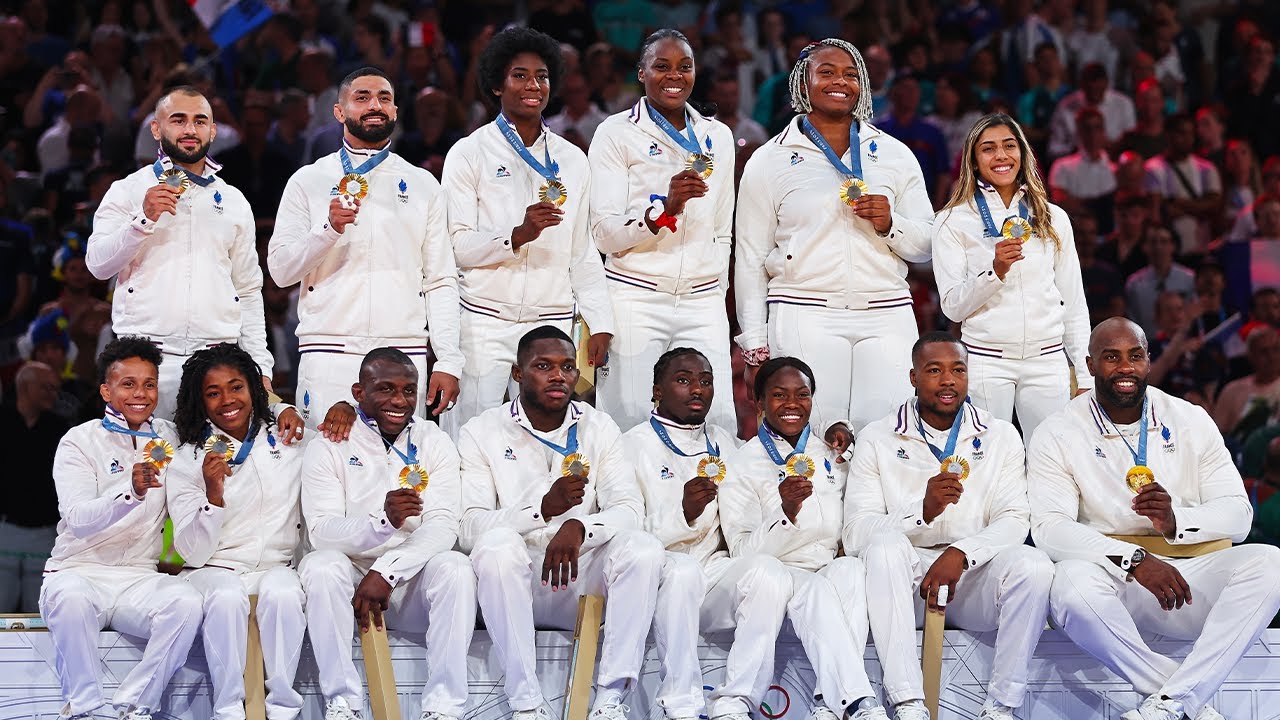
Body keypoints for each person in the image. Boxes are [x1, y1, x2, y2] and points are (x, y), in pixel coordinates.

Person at [1029, 318, 1280, 720]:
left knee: (1272, 563)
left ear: (1148, 361)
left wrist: (1176, 520)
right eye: (1112, 358)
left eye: (1136, 356)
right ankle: (1182, 700)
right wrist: (1135, 559)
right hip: (1115, 583)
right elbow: (1050, 530)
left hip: (1190, 576)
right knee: (1068, 586)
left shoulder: (1190, 419)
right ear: (1090, 365)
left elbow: (1238, 515)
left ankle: (1169, 703)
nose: (1125, 368)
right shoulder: (1058, 432)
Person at [458, 326, 663, 720]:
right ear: (517, 374)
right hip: (517, 581)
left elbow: (628, 509)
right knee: (496, 547)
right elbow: (468, 528)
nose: (559, 376)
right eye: (543, 366)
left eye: (568, 367)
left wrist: (581, 528)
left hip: (582, 577)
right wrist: (541, 510)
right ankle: (526, 703)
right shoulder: (481, 431)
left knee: (643, 548)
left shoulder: (599, 427)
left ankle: (610, 701)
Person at [844, 333, 1052, 720]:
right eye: (934, 370)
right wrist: (920, 512)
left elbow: (1014, 519)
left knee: (1033, 566)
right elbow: (856, 533)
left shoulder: (1001, 434)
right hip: (905, 585)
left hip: (972, 577)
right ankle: (907, 702)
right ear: (913, 377)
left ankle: (1000, 708)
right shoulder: (877, 437)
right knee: (884, 548)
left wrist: (961, 553)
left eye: (958, 370)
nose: (948, 381)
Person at [735, 38, 934, 439]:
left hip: (886, 310)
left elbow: (927, 245)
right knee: (814, 440)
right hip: (805, 310)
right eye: (826, 72)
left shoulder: (894, 153)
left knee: (886, 439)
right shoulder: (770, 158)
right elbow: (751, 257)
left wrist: (890, 223)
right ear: (802, 84)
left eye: (850, 74)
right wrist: (755, 344)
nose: (839, 81)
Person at [440, 27, 613, 437]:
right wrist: (515, 236)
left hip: (550, 324)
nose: (533, 85)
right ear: (497, 85)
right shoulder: (468, 153)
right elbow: (458, 245)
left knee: (547, 440)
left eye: (542, 76)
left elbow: (582, 250)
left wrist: (600, 319)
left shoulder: (572, 159)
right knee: (468, 437)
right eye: (519, 75)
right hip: (485, 322)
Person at [269, 67, 462, 430]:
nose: (375, 105)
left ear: (395, 112)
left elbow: (440, 280)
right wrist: (328, 230)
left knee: (401, 471)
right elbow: (280, 271)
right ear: (339, 112)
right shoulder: (308, 180)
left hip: (403, 353)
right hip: (328, 352)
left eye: (384, 98)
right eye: (362, 98)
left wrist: (449, 360)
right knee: (323, 466)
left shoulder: (423, 184)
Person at [300, 347, 474, 720]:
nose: (399, 401)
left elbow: (443, 523)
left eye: (409, 390)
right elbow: (321, 531)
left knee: (456, 567)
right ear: (358, 393)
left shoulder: (433, 440)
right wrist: (382, 523)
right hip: (354, 578)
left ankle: (444, 708)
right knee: (321, 565)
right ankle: (343, 703)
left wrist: (390, 570)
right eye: (386, 389)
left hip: (409, 581)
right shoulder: (329, 443)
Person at [85, 87, 279, 422]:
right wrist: (142, 220)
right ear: (157, 129)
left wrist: (260, 365)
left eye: (199, 121)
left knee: (216, 471)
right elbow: (98, 266)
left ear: (213, 131)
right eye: (179, 120)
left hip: (218, 364)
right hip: (147, 362)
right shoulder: (129, 191)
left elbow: (247, 290)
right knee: (148, 471)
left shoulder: (233, 201)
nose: (190, 130)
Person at [622, 348, 789, 720]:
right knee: (682, 571)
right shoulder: (631, 445)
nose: (697, 389)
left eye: (706, 381)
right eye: (683, 380)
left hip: (712, 573)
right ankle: (679, 704)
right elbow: (626, 539)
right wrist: (684, 514)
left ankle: (735, 702)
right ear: (657, 390)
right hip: (659, 575)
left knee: (768, 572)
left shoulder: (726, 442)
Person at [40, 337, 203, 720]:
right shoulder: (79, 440)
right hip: (79, 571)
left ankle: (135, 704)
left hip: (138, 579)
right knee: (72, 599)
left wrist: (282, 410)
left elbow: (225, 432)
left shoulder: (171, 437)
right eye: (128, 384)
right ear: (106, 390)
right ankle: (84, 708)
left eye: (149, 384)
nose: (141, 394)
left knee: (187, 602)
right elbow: (77, 518)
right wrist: (128, 491)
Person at [718, 357, 888, 720]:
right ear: (759, 403)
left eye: (802, 394)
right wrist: (786, 513)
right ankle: (857, 700)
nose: (792, 404)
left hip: (824, 567)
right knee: (813, 588)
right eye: (779, 395)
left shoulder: (833, 453)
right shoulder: (742, 463)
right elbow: (742, 553)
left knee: (851, 571)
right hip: (772, 574)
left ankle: (826, 703)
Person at [587, 29, 737, 434]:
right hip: (636, 294)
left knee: (717, 421)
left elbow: (723, 231)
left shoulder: (717, 137)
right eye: (662, 66)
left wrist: (714, 288)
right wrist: (661, 213)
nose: (675, 76)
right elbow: (603, 233)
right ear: (641, 73)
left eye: (685, 67)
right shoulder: (616, 133)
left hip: (702, 301)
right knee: (627, 421)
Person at [167, 344, 306, 720]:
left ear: (254, 390)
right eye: (213, 393)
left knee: (286, 590)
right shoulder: (188, 460)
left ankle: (282, 709)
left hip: (275, 566)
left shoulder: (289, 439)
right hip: (213, 572)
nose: (227, 400)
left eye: (236, 387)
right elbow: (191, 553)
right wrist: (213, 497)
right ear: (200, 401)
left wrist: (294, 407)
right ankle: (227, 710)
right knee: (228, 596)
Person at [933, 113, 1091, 443]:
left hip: (1047, 360)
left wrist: (1084, 373)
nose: (1001, 156)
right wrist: (995, 273)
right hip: (987, 361)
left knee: (1052, 460)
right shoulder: (951, 221)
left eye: (1009, 146)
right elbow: (952, 308)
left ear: (1022, 152)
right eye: (988, 149)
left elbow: (1073, 302)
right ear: (974, 162)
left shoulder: (1053, 217)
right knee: (987, 461)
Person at [0, 361, 67, 612]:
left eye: (55, 388)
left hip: (45, 532)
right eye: (46, 387)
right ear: (25, 388)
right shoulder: (2, 422)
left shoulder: (61, 429)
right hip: (5, 529)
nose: (53, 393)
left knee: (38, 611)